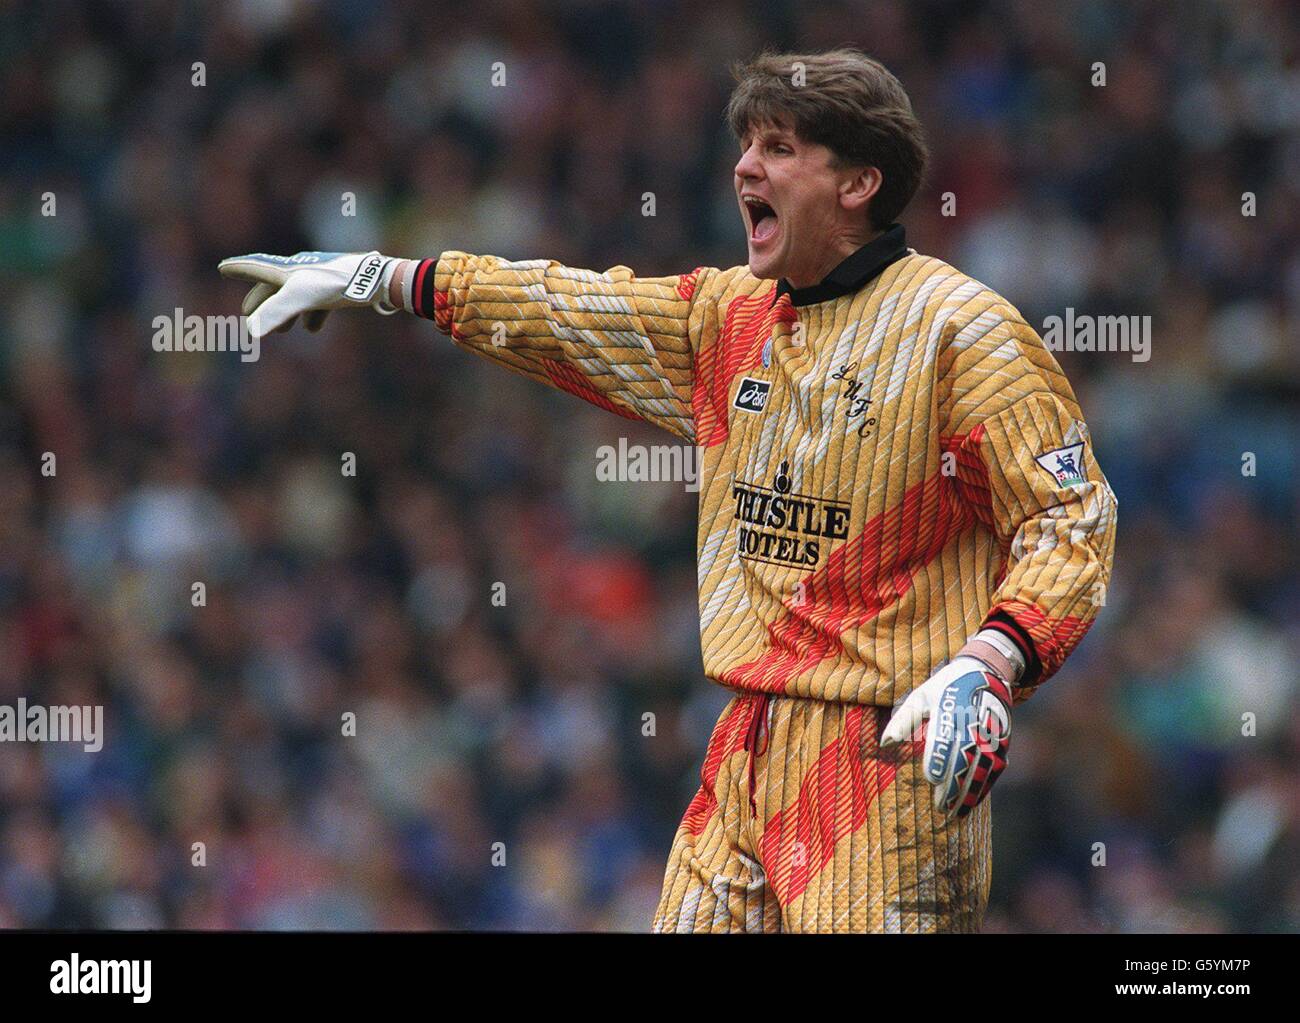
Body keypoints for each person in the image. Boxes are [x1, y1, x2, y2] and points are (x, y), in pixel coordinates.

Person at [219, 48, 1117, 933]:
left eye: (777, 148)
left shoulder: (962, 332)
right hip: (748, 748)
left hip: (887, 757)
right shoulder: (726, 317)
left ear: (857, 184)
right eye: (746, 144)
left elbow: (1069, 515)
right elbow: (565, 307)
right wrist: (391, 279)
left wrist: (991, 662)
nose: (744, 166)